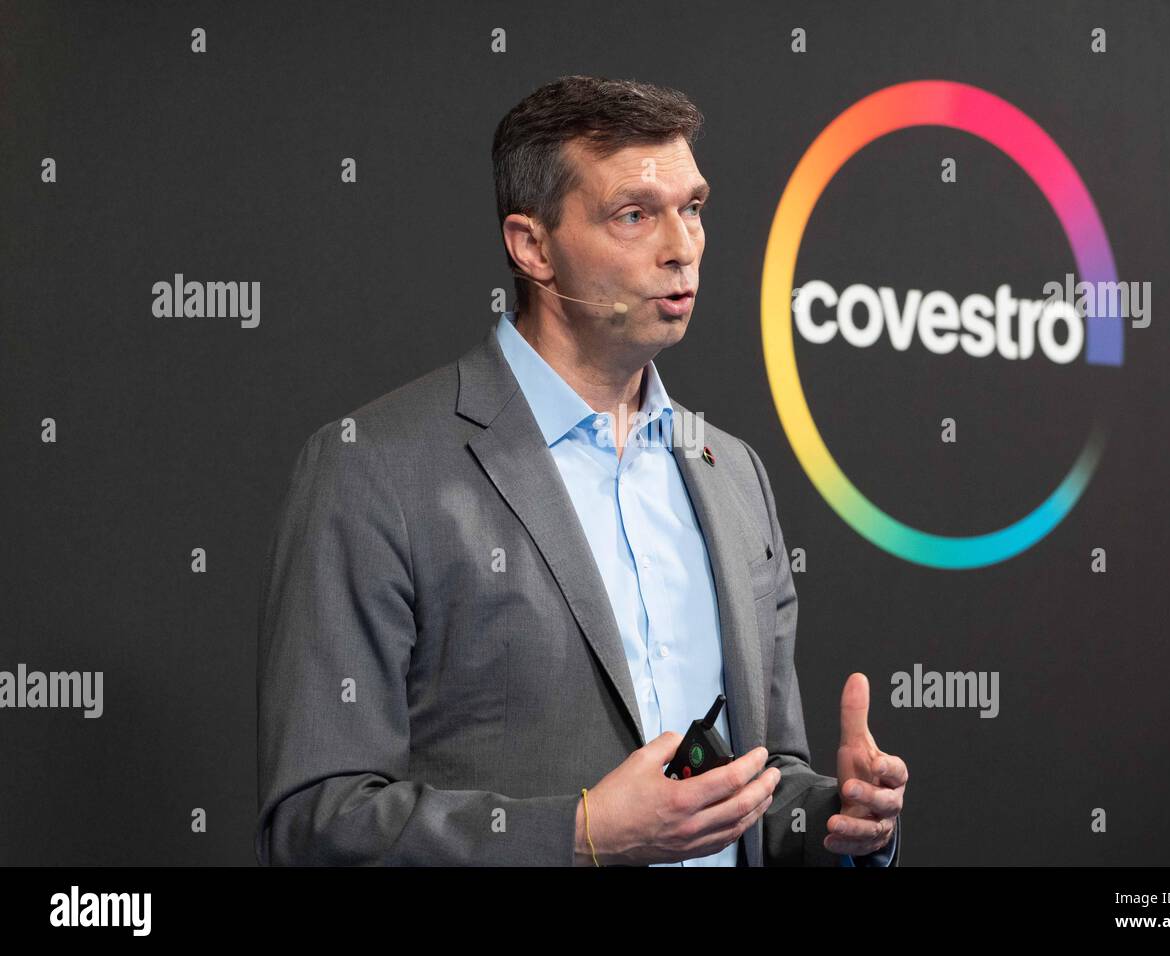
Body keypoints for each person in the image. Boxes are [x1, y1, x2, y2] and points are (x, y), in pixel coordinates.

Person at [255, 75, 906, 866]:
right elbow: (318, 824)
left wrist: (837, 820)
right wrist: (585, 834)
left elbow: (765, 787)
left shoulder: (733, 474)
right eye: (635, 215)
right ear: (532, 247)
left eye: (692, 208)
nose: (682, 247)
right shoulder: (373, 469)